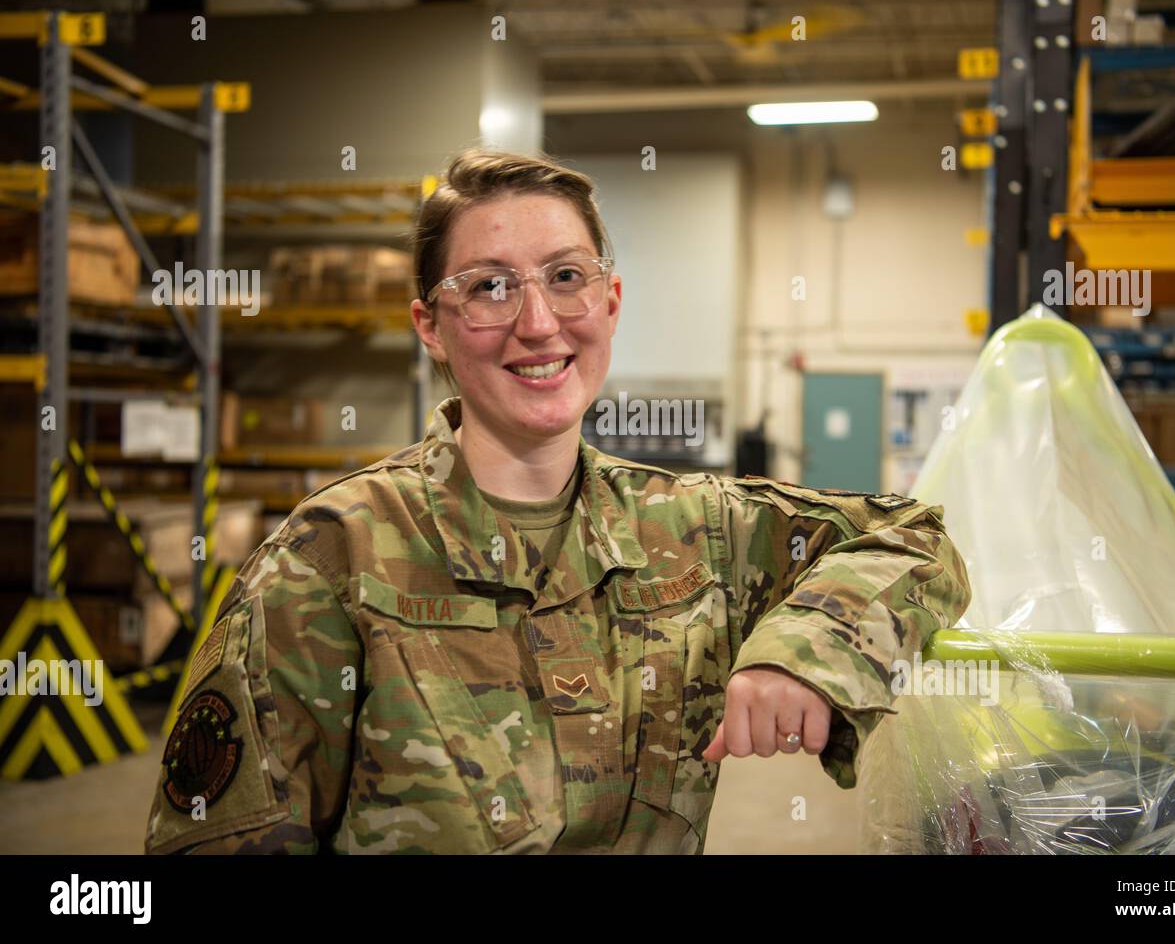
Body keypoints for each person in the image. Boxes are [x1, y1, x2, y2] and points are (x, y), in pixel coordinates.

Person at [144, 148, 971, 854]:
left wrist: (804, 644)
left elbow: (918, 539)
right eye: (490, 287)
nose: (538, 323)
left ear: (608, 304)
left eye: (566, 278)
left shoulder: (699, 531)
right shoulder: (332, 559)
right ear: (430, 324)